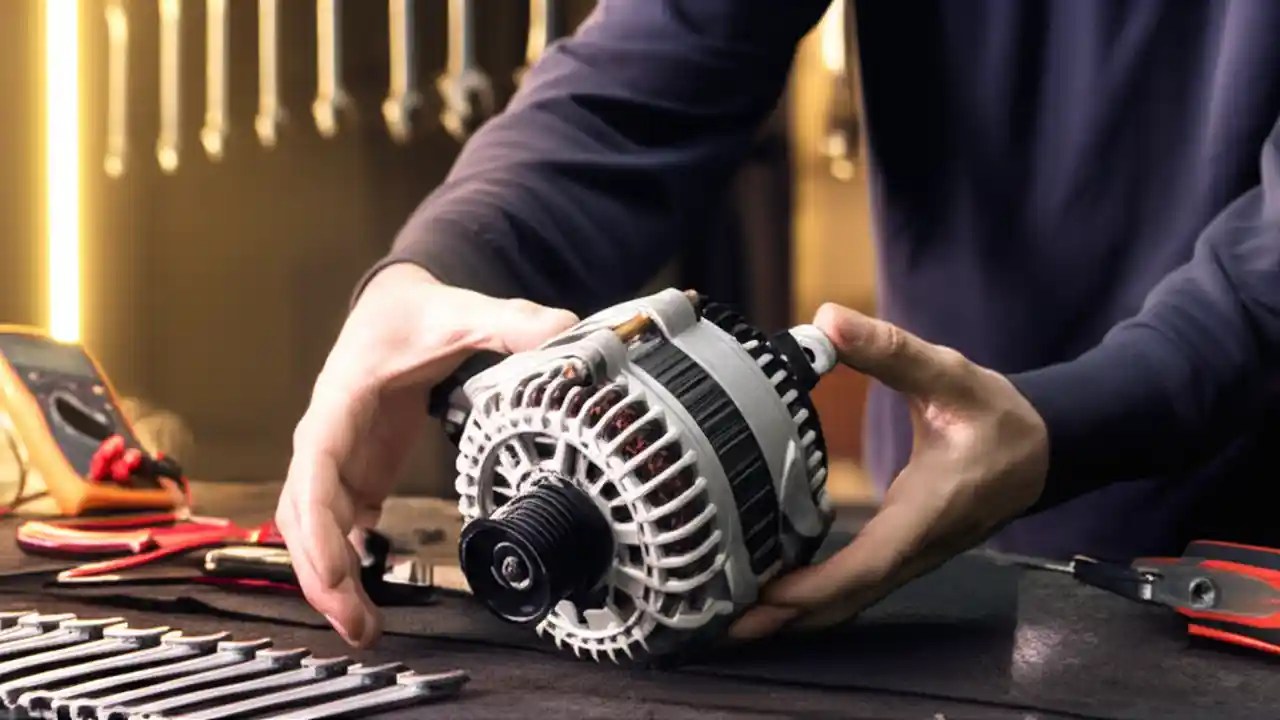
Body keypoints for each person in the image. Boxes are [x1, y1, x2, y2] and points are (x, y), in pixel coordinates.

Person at [274, 1, 1280, 649]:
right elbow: (649, 72)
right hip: (930, 566)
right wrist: (434, 271)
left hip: (1248, 570)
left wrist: (1072, 417)